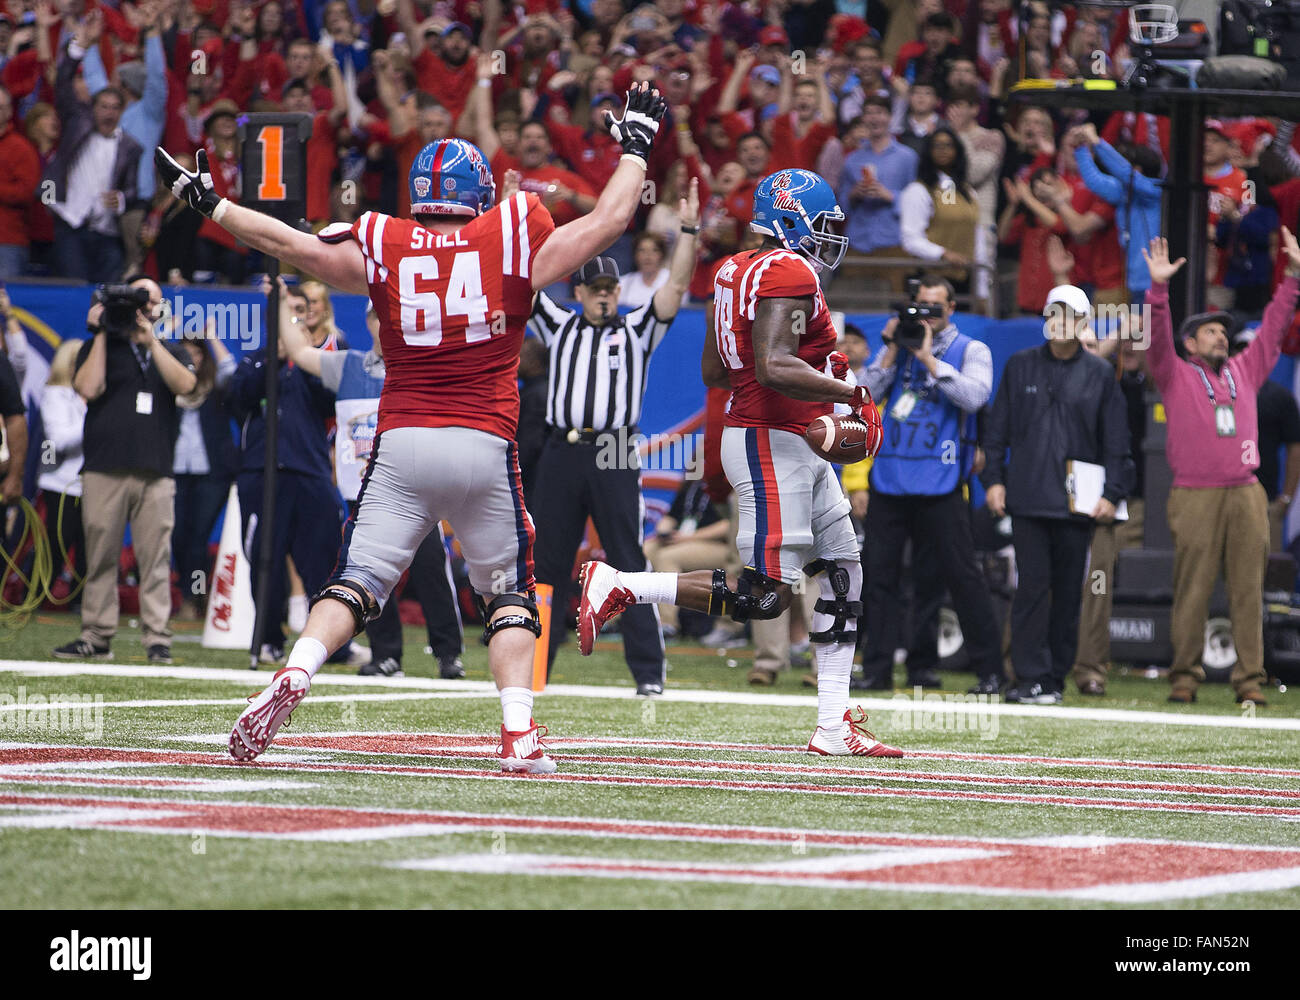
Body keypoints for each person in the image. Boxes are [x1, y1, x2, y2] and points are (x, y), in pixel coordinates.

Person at [156, 83, 670, 771]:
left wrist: (208, 201)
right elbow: (609, 220)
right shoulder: (513, 228)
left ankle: (297, 671)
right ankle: (518, 731)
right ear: (477, 193)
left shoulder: (383, 240)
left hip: (402, 441)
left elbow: (290, 244)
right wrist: (636, 141)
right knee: (509, 593)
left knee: (357, 580)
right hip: (483, 444)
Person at [575, 167, 903, 757]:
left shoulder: (730, 270)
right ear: (792, 219)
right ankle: (622, 584)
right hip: (770, 439)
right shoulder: (789, 269)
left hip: (781, 434)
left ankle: (833, 725)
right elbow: (775, 364)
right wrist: (849, 395)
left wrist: (814, 388)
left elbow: (715, 371)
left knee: (843, 568)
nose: (829, 239)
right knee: (765, 594)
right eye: (822, 225)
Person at [526, 179, 699, 696]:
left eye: (609, 291)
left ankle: (648, 672)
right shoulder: (559, 326)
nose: (603, 299)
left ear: (617, 293)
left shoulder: (637, 329)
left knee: (628, 558)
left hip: (615, 446)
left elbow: (673, 289)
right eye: (593, 291)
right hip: (562, 446)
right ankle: (535, 670)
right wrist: (511, 212)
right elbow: (525, 282)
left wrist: (687, 231)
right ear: (577, 293)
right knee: (548, 566)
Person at [1141, 233, 1300, 706]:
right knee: (1192, 588)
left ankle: (1249, 680)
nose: (1221, 336)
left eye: (1223, 331)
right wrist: (1157, 292)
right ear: (1190, 343)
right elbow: (1154, 342)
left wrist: (1292, 278)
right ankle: (1184, 679)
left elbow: (1273, 328)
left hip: (1246, 491)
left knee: (1249, 589)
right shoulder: (1174, 373)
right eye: (1210, 331)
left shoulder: (1245, 371)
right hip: (1195, 493)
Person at [281, 298, 466, 680]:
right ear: (369, 323)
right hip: (364, 496)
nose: (388, 326)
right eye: (381, 318)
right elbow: (299, 352)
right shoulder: (348, 366)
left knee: (431, 569)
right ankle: (386, 655)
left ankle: (449, 655)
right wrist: (280, 300)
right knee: (368, 576)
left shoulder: (423, 367)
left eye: (394, 319)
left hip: (416, 491)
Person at [981, 283, 1134, 704]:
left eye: (1067, 315)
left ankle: (1054, 678)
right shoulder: (1019, 366)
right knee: (1031, 587)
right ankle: (1028, 677)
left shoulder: (1101, 374)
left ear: (1083, 323)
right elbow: (997, 432)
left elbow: (1116, 443)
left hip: (1078, 505)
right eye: (1052, 313)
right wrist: (993, 480)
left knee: (1069, 594)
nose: (1058, 322)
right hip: (1028, 498)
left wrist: (1112, 492)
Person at [854, 274, 1003, 694]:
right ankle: (877, 670)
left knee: (955, 577)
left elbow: (976, 396)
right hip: (890, 479)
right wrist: (889, 349)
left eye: (936, 308)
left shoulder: (971, 349)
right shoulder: (896, 348)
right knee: (879, 578)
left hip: (942, 482)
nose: (928, 316)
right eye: (921, 306)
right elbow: (860, 397)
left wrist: (928, 359)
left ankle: (987, 671)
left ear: (951, 309)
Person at [53, 278, 197, 663]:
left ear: (159, 306)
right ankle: (96, 636)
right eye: (136, 298)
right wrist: (102, 331)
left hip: (156, 470)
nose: (142, 306)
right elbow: (88, 387)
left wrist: (152, 341)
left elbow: (186, 384)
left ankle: (157, 639)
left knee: (155, 558)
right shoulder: (97, 345)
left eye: (149, 299)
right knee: (100, 555)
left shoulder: (170, 348)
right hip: (105, 466)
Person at [1070, 335, 1149, 696]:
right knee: (1038, 587)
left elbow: (1123, 449)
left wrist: (1112, 493)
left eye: (1093, 347)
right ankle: (1023, 666)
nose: (1087, 354)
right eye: (1081, 346)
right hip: (1050, 499)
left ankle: (1090, 669)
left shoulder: (1115, 390)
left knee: (1097, 587)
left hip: (1100, 500)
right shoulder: (1047, 383)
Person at [45, 14, 143, 283]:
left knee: (108, 293)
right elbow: (63, 82)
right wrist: (80, 46)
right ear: (93, 108)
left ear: (122, 111)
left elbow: (133, 189)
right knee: (72, 289)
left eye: (115, 108)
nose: (109, 113)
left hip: (106, 230)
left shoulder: (131, 147)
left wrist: (122, 200)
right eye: (103, 106)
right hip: (71, 224)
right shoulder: (77, 123)